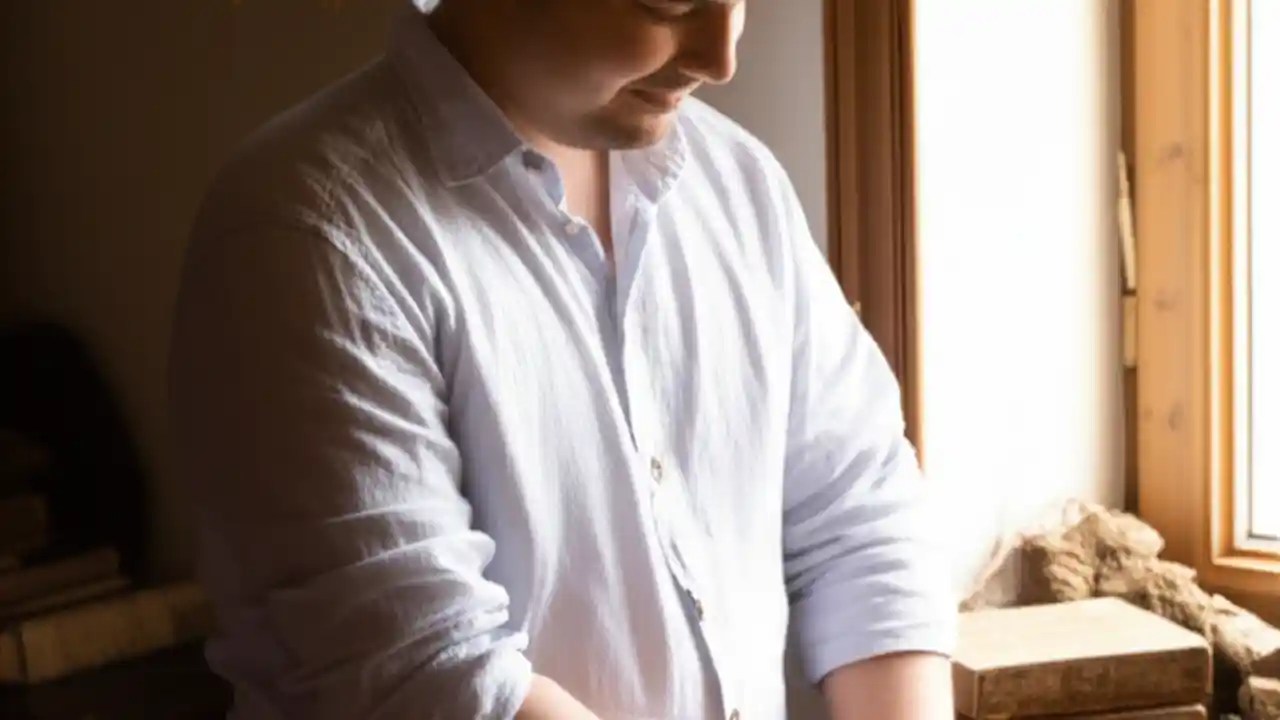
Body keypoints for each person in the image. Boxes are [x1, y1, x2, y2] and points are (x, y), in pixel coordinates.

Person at [169, 0, 957, 718]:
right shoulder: (310, 234)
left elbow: (860, 514)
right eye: (673, 1)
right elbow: (431, 675)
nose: (722, 56)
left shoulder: (740, 187)